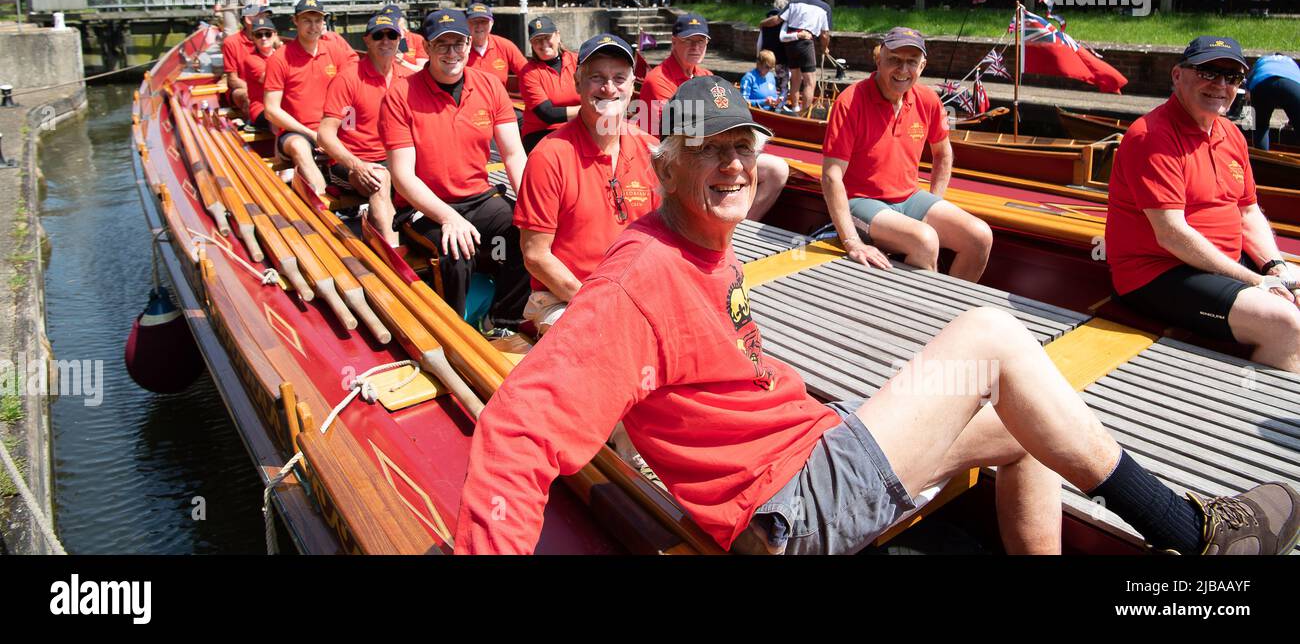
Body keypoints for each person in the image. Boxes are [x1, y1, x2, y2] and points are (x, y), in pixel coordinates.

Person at [454, 75, 1300, 555]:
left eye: (743, 149)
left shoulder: (705, 244)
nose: (733, 167)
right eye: (709, 152)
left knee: (1021, 424)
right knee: (993, 337)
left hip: (812, 457)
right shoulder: (640, 277)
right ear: (667, 164)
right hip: (791, 506)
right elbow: (521, 429)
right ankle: (1190, 532)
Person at [1107, 36, 1300, 372]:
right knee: (1282, 321)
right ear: (1178, 75)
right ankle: (1254, 417)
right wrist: (1255, 282)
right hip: (1157, 273)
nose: (1220, 85)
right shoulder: (1153, 137)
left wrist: (1275, 267)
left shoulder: (1230, 133)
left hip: (1219, 264)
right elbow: (1171, 234)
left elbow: (1247, 212)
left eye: (1232, 78)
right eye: (1208, 72)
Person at [380, 8, 529, 331]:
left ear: (468, 43)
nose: (452, 53)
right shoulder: (400, 95)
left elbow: (514, 154)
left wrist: (532, 205)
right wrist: (448, 217)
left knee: (523, 231)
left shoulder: (489, 86)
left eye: (459, 44)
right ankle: (453, 331)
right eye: (442, 45)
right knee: (456, 251)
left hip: (478, 196)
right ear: (428, 49)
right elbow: (403, 177)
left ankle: (502, 319)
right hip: (426, 207)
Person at [821, 27, 993, 283]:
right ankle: (926, 313)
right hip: (860, 200)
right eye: (895, 60)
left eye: (911, 62)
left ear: (922, 66)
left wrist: (935, 202)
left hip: (909, 197)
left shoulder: (928, 99)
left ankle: (950, 308)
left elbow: (943, 154)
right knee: (924, 239)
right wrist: (852, 241)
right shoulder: (850, 101)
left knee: (980, 236)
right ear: (879, 60)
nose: (903, 70)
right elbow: (831, 176)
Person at [515, 34, 659, 332]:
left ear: (633, 86)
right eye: (597, 77)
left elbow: (665, 238)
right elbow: (536, 255)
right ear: (578, 83)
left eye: (619, 77)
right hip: (565, 296)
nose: (609, 88)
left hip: (636, 292)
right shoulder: (549, 156)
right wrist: (600, 304)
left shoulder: (650, 150)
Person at [639, 13, 788, 219]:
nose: (696, 47)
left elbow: (722, 120)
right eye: (688, 41)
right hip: (677, 156)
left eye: (701, 42)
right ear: (674, 42)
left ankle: (736, 229)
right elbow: (679, 137)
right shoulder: (658, 80)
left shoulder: (706, 76)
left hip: (712, 149)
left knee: (777, 170)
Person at [318, 11, 411, 246]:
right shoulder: (348, 79)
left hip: (395, 159)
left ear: (399, 40)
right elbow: (325, 134)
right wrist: (356, 165)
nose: (386, 41)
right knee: (380, 178)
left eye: (391, 35)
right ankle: (394, 253)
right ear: (367, 40)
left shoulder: (409, 79)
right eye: (378, 35)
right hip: (354, 163)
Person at [262, 0, 358, 195]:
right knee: (298, 147)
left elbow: (352, 96)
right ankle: (321, 201)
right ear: (295, 21)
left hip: (332, 128)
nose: (313, 26)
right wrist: (312, 134)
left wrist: (346, 129)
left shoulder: (335, 50)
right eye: (307, 20)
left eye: (317, 21)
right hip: (298, 132)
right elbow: (271, 110)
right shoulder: (280, 58)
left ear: (324, 23)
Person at [759, 0, 831, 115]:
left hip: (790, 44)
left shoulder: (794, 2)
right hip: (806, 44)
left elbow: (776, 20)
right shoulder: (825, 7)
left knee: (795, 79)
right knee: (810, 82)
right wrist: (824, 48)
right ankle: (804, 114)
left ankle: (795, 108)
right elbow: (825, 34)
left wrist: (762, 23)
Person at [518, 16, 580, 154]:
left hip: (578, 126)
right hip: (541, 132)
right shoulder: (529, 72)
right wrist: (588, 111)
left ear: (558, 36)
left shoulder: (577, 61)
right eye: (537, 40)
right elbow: (547, 114)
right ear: (532, 44)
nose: (543, 43)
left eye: (547, 37)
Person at [221, 2, 274, 118]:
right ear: (248, 19)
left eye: (265, 16)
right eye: (261, 16)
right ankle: (252, 122)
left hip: (269, 87)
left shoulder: (271, 38)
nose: (264, 19)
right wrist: (256, 92)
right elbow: (233, 80)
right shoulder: (231, 42)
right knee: (247, 96)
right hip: (243, 88)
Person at [463, 2, 527, 88]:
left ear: (492, 23)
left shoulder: (505, 46)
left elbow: (528, 74)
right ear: (466, 24)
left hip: (499, 99)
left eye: (484, 21)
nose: (479, 26)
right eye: (474, 22)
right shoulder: (460, 49)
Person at [1246, 53, 1300, 151]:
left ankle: (1262, 160)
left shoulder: (1263, 60)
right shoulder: (1291, 61)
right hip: (1291, 84)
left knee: (1260, 127)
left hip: (1262, 82)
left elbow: (1248, 89)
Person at [240, 14, 281, 130]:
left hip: (284, 104)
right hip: (261, 108)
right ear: (253, 37)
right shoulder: (251, 59)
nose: (264, 38)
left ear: (275, 35)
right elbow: (270, 80)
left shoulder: (283, 54)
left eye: (267, 34)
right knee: (281, 120)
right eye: (259, 35)